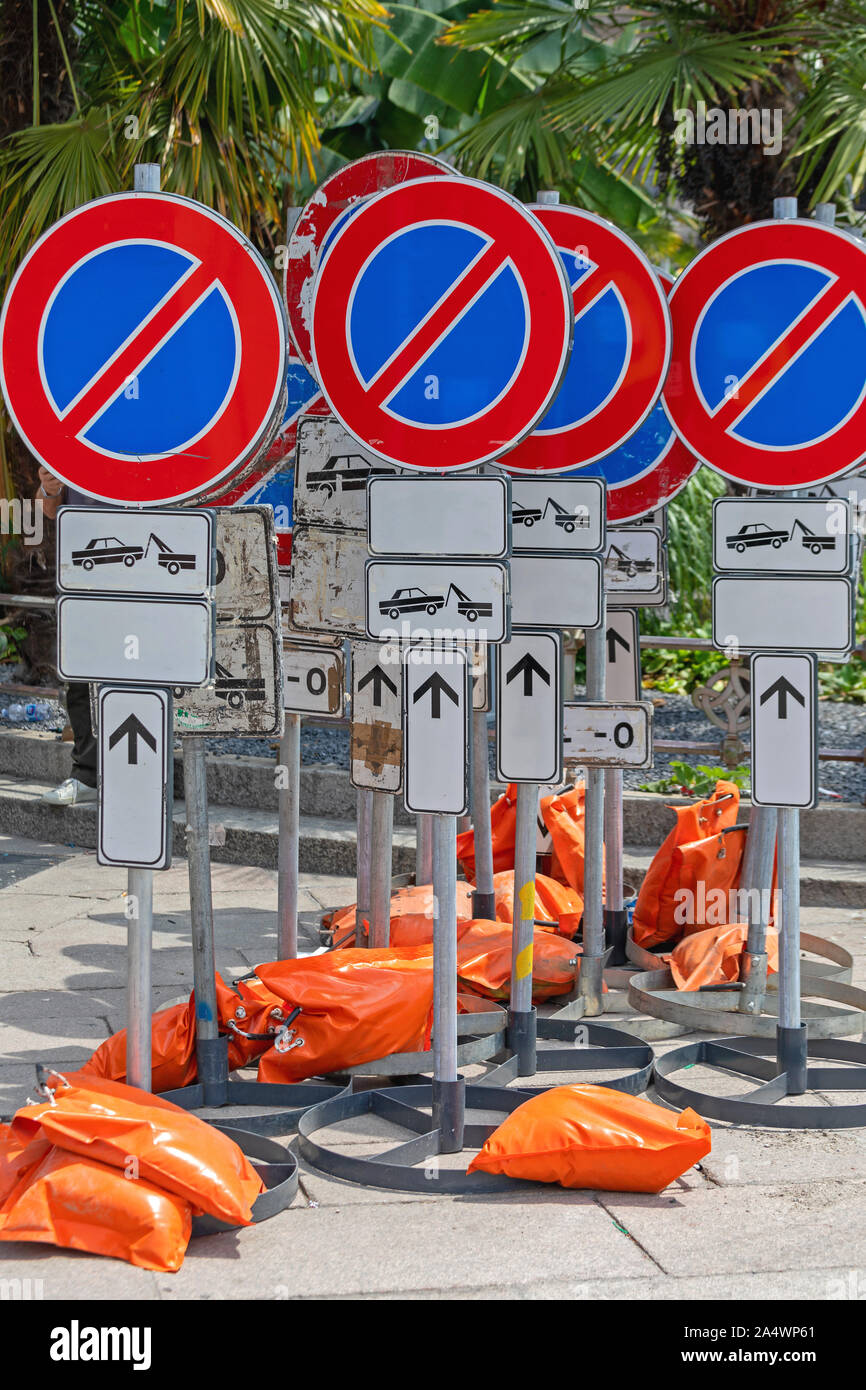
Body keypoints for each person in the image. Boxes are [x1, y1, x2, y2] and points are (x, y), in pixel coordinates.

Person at [35, 467, 100, 804]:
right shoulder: (68, 442)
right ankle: (88, 775)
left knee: (141, 673)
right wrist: (48, 488)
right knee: (79, 677)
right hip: (82, 569)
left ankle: (147, 768)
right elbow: (47, 507)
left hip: (138, 565)